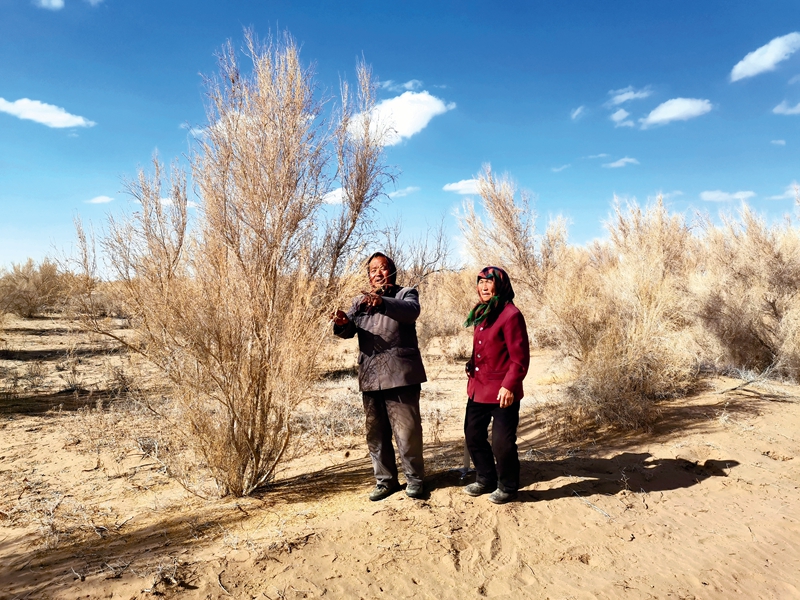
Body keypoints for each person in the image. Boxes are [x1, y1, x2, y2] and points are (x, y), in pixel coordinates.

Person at [332, 252, 427, 501]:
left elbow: (411, 311)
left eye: (383, 268)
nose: (377, 273)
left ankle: (415, 480)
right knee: (376, 434)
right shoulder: (359, 302)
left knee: (407, 432)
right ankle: (385, 481)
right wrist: (343, 322)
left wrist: (382, 303)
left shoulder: (405, 294)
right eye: (373, 270)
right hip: (371, 377)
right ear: (368, 275)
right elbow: (348, 330)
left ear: (392, 272)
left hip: (401, 376)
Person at [463, 266, 530, 504]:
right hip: (479, 387)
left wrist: (509, 386)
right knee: (472, 435)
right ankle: (486, 478)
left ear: (499, 285)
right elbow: (485, 348)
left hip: (503, 392)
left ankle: (508, 486)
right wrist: (472, 364)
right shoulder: (482, 312)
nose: (483, 287)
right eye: (480, 282)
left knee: (502, 443)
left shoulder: (511, 315)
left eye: (488, 282)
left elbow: (519, 358)